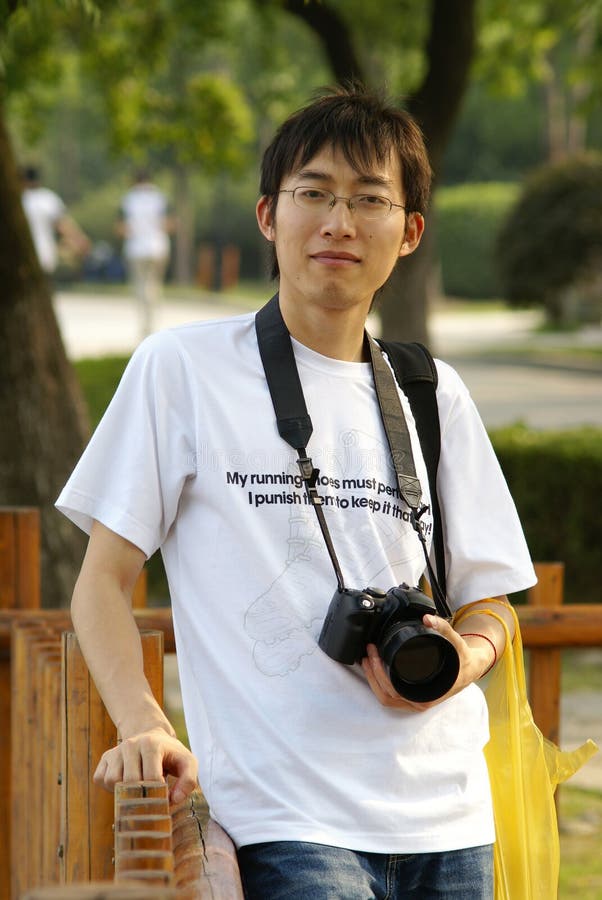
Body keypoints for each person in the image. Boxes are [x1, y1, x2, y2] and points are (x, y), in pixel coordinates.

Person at [57, 85, 536, 899]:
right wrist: (144, 722)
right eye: (312, 193)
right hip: (284, 818)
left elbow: (493, 598)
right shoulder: (183, 370)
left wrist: (464, 656)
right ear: (268, 217)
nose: (339, 223)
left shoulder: (431, 391)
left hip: (452, 818)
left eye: (370, 200)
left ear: (410, 232)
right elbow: (100, 582)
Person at [117, 170, 173, 338]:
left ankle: (145, 325)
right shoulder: (160, 198)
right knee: (154, 284)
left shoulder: (128, 199)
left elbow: (121, 228)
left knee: (141, 286)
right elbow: (169, 224)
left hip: (136, 249)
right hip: (158, 247)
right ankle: (153, 320)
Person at [21, 165, 90, 277]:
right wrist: (80, 240)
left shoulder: (17, 200)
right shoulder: (48, 199)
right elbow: (63, 225)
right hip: (44, 254)